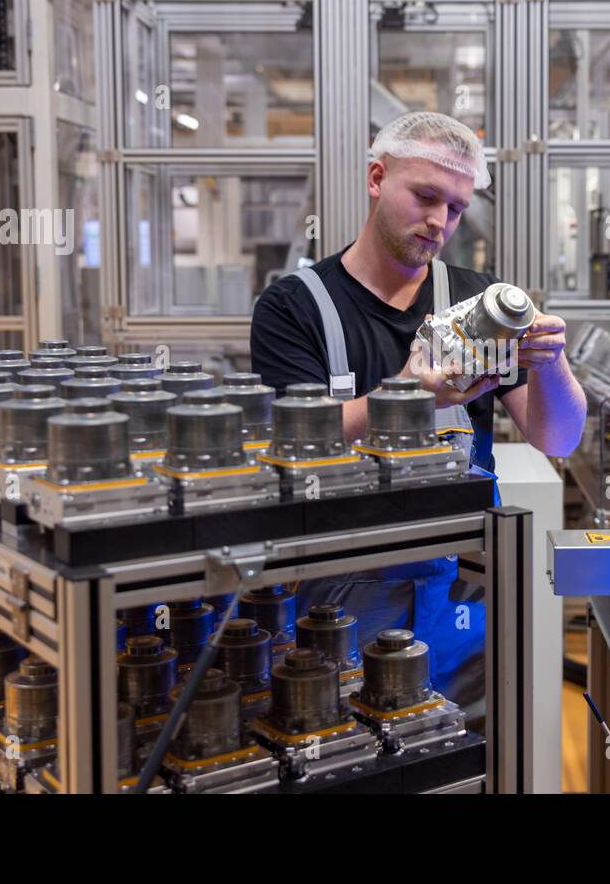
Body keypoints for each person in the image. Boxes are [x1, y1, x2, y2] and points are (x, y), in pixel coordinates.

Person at [250, 111, 587, 719]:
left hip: (460, 589)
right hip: (337, 594)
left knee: (463, 762)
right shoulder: (294, 306)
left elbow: (557, 437)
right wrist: (407, 395)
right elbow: (293, 443)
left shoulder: (477, 300)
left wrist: (550, 364)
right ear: (377, 178)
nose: (440, 222)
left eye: (456, 208)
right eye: (426, 196)